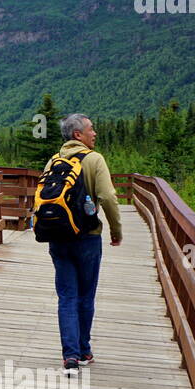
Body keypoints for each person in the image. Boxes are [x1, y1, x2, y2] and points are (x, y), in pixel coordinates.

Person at [45, 113, 122, 374]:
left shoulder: (53, 160)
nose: (95, 133)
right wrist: (116, 230)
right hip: (87, 237)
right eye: (91, 129)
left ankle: (70, 357)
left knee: (67, 296)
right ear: (78, 134)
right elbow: (108, 197)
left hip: (58, 237)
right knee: (85, 295)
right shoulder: (94, 159)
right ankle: (84, 349)